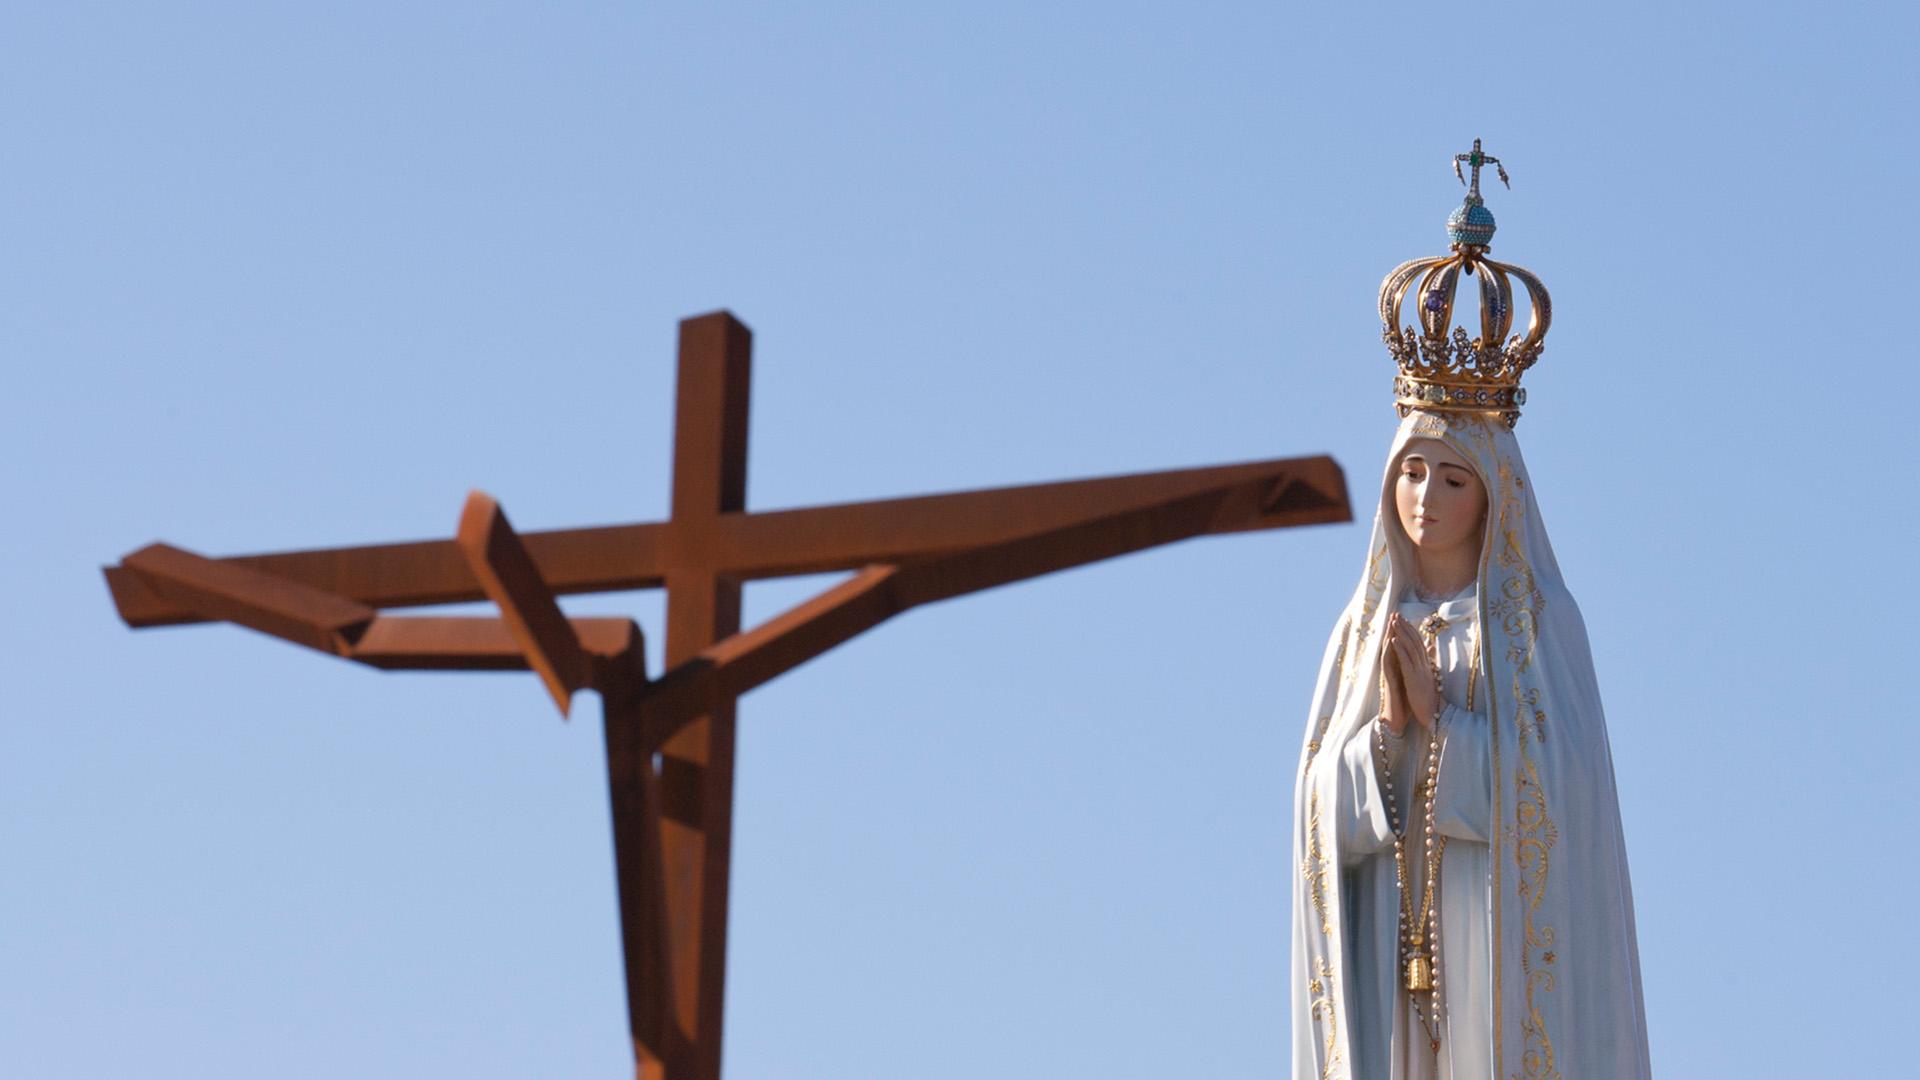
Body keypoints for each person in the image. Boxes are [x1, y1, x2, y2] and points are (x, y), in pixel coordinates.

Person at [1291, 147, 1651, 1079]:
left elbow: (1564, 799)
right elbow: (1317, 807)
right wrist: (1383, 737)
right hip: (1388, 961)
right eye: (1409, 472)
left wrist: (1445, 725)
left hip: (1490, 954)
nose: (1424, 497)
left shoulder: (1537, 630)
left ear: (1494, 496)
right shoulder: (1362, 631)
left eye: (1451, 477)